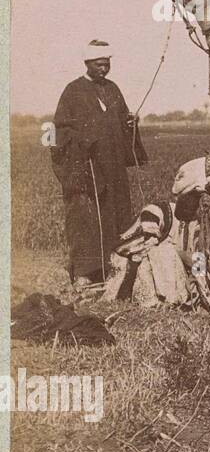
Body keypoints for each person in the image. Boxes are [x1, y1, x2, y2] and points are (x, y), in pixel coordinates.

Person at [51, 40, 147, 286]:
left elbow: (122, 120)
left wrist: (130, 123)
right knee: (86, 218)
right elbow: (58, 132)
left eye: (107, 64)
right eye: (99, 65)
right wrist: (83, 141)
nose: (104, 69)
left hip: (113, 169)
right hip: (88, 170)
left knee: (118, 214)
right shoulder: (73, 91)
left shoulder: (113, 89)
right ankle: (85, 272)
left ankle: (117, 266)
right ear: (87, 63)